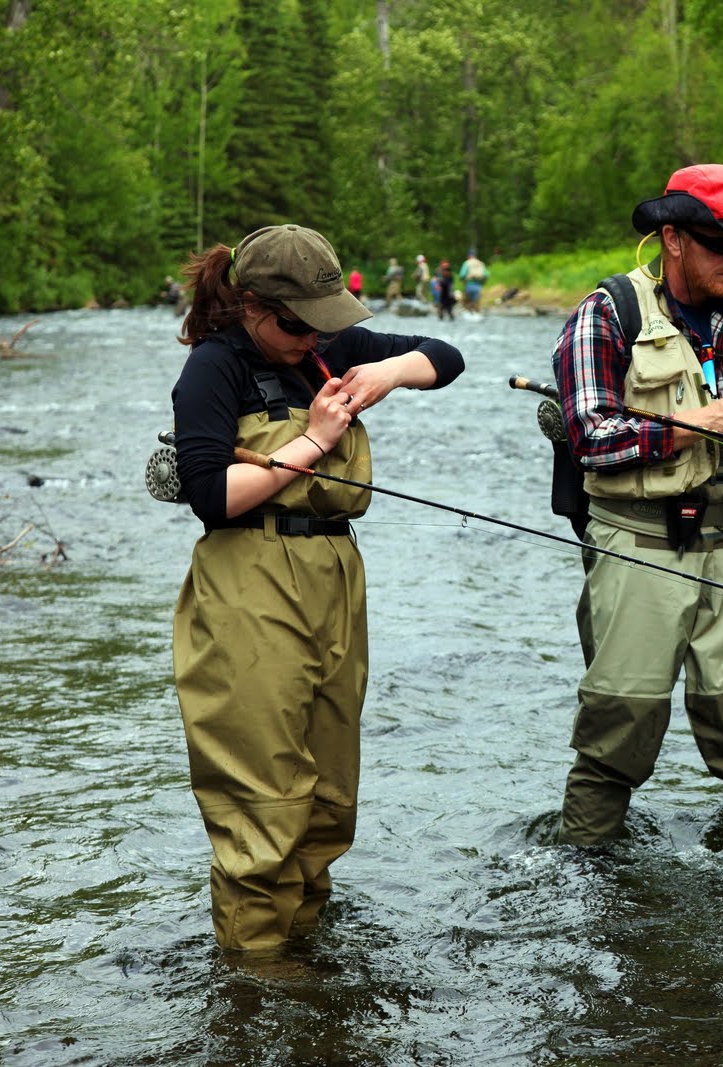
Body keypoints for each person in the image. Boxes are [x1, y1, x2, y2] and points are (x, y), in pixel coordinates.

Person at [169, 223, 465, 953]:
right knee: (265, 802)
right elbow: (211, 494)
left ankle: (301, 950)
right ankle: (255, 976)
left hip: (335, 576)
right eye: (297, 326)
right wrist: (316, 439)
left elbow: (446, 357)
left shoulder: (326, 343)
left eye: (322, 324)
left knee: (330, 796)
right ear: (252, 307)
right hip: (249, 580)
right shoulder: (214, 367)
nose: (311, 340)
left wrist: (389, 373)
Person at [550, 163, 723, 848]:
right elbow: (590, 437)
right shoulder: (606, 314)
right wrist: (691, 425)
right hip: (637, 546)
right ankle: (585, 871)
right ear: (672, 238)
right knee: (618, 734)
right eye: (721, 242)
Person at [458, 249, 487, 313]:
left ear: (468, 256)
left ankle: (469, 312)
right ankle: (476, 312)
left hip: (469, 285)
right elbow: (486, 275)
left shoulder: (466, 263)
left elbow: (462, 275)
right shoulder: (480, 263)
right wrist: (483, 282)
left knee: (467, 301)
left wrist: (463, 281)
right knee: (476, 301)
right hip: (478, 286)